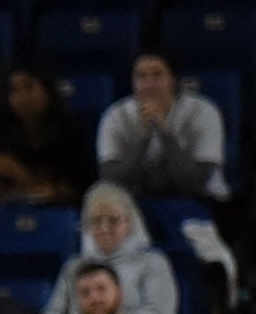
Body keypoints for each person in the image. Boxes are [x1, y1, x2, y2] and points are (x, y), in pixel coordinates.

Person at [44, 181, 187, 314]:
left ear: (129, 222)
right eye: (96, 221)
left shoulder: (152, 262)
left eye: (113, 220)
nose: (104, 228)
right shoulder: (74, 267)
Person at [97, 49, 230, 205]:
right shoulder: (116, 116)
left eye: (157, 75)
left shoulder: (203, 112)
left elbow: (195, 181)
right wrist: (144, 138)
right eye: (141, 77)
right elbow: (113, 180)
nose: (148, 84)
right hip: (135, 204)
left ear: (173, 80)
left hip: (201, 201)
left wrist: (165, 132)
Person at [0, 62, 96, 206]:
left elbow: (76, 188)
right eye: (13, 91)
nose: (22, 97)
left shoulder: (69, 131)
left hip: (59, 211)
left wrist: (19, 173)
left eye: (29, 87)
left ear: (47, 91)